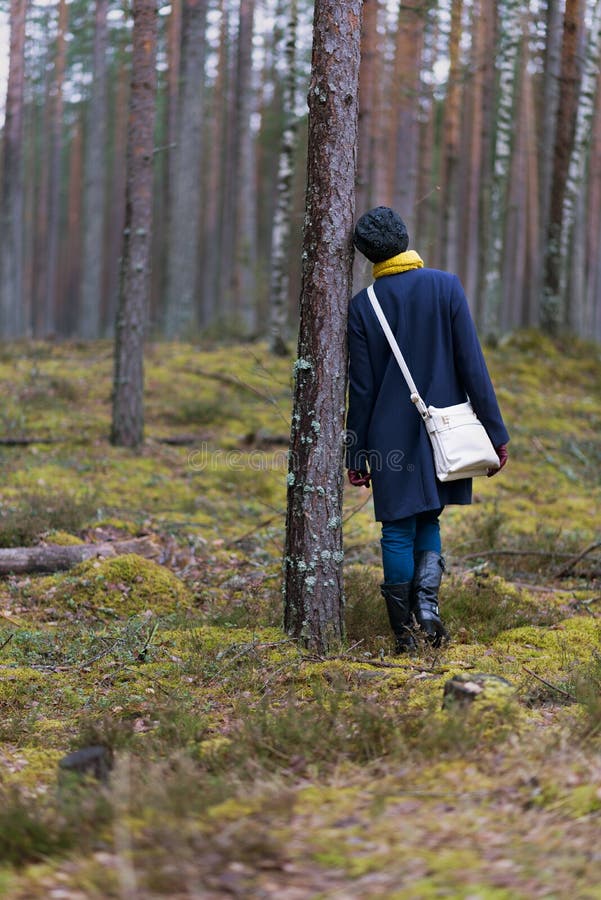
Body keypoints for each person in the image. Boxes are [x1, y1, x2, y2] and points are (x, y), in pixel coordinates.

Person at [346, 207, 509, 653]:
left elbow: (361, 389)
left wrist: (355, 452)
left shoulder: (364, 306)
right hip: (447, 428)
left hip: (387, 436)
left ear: (366, 256)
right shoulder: (445, 286)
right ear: (405, 238)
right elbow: (473, 366)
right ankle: (429, 613)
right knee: (429, 517)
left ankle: (405, 634)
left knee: (397, 529)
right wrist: (496, 433)